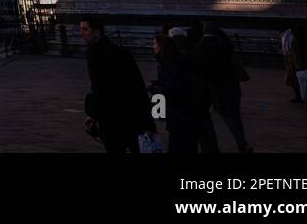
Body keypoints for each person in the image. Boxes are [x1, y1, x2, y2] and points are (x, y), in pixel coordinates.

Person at [81, 16, 153, 153]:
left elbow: (104, 89)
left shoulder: (105, 54)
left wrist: (95, 113)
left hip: (117, 118)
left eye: (85, 29)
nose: (81, 34)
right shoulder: (115, 52)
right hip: (124, 117)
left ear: (97, 32)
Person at [149, 30, 215, 153]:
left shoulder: (170, 65)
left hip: (181, 116)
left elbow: (172, 91)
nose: (153, 46)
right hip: (191, 114)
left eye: (155, 44)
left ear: (162, 47)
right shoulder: (179, 62)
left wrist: (153, 88)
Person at [197, 22, 252, 153]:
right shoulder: (227, 47)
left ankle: (211, 147)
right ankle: (242, 142)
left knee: (205, 117)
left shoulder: (199, 48)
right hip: (231, 85)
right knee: (233, 116)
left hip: (211, 86)